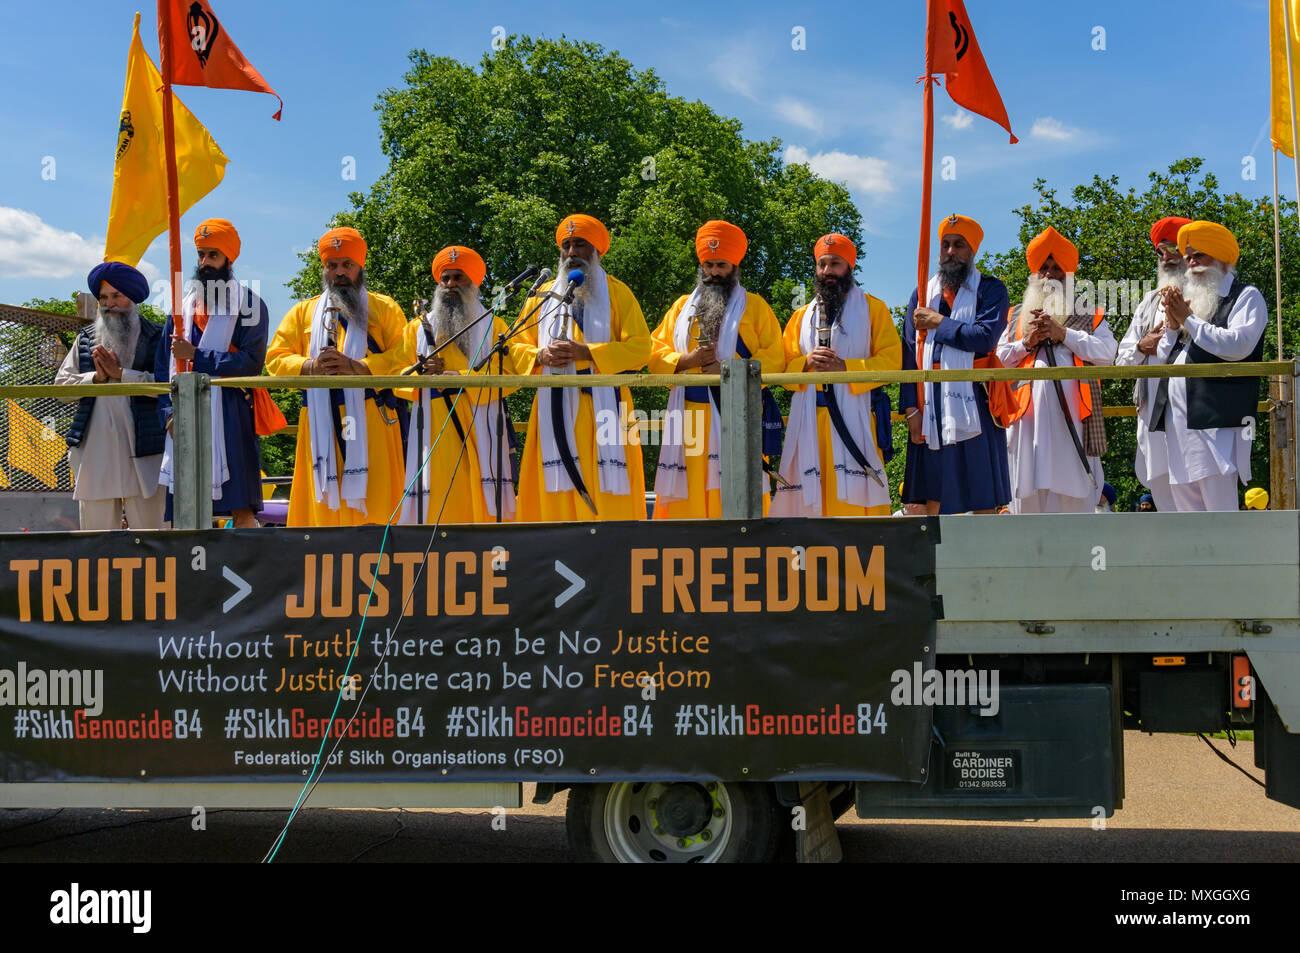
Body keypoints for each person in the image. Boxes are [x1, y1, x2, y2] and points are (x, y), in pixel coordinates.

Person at [510, 214, 651, 521]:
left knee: (607, 494)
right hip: (553, 405)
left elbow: (641, 348)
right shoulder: (541, 296)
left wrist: (586, 351)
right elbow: (515, 347)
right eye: (566, 245)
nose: (572, 252)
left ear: (596, 251)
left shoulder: (618, 293)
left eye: (580, 245)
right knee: (554, 497)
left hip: (605, 405)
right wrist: (540, 355)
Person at [265, 227, 409, 526]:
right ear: (324, 269)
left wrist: (358, 367)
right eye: (332, 266)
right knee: (323, 515)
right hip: (319, 421)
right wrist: (310, 367)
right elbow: (275, 359)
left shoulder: (385, 308)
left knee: (377, 504)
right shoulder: (302, 312)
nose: (340, 272)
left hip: (373, 418)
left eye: (347, 265)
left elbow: (405, 356)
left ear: (360, 267)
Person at [650, 220, 783, 518]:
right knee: (687, 499)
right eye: (708, 264)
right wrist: (687, 361)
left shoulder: (756, 307)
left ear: (734, 266)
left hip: (736, 412)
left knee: (736, 495)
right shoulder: (681, 307)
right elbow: (653, 353)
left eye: (721, 264)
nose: (713, 272)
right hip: (688, 419)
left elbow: (777, 358)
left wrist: (728, 369)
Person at [770, 233, 901, 517]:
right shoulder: (799, 316)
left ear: (849, 268)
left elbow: (892, 361)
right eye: (822, 264)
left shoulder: (874, 310)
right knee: (807, 508)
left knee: (854, 508)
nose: (827, 271)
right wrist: (805, 363)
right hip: (808, 423)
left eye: (835, 263)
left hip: (856, 422)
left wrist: (846, 368)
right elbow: (781, 368)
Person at [155, 219, 267, 528]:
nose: (205, 263)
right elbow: (161, 369)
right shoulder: (180, 308)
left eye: (213, 256)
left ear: (229, 259)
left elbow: (251, 364)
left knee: (240, 507)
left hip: (232, 414)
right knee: (187, 507)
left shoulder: (250, 305)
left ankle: (249, 566)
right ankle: (191, 573)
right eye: (201, 255)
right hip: (184, 416)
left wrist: (197, 356)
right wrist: (168, 416)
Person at [1149, 221, 1268, 512]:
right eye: (1188, 257)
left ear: (1220, 258)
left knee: (1220, 516)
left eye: (1199, 255)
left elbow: (1237, 346)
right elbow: (1164, 354)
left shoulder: (1247, 296)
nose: (1191, 263)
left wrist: (1188, 319)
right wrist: (1174, 327)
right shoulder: (1193, 301)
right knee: (1188, 520)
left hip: (1216, 427)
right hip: (1178, 427)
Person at [997, 226, 1117, 513]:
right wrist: (1027, 342)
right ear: (1035, 275)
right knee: (1027, 508)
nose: (1050, 274)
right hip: (1027, 427)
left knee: (1074, 504)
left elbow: (1107, 354)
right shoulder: (1016, 315)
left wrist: (1064, 334)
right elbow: (999, 359)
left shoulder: (1090, 313)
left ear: (1069, 276)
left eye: (1057, 269)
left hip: (1075, 423)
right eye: (1044, 268)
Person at [398, 245, 519, 524]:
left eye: (458, 277)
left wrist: (459, 377)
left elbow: (511, 372)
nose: (450, 284)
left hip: (482, 418)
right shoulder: (417, 328)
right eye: (445, 278)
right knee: (439, 496)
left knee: (481, 495)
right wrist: (420, 372)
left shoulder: (495, 325)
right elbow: (395, 373)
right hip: (433, 420)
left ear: (474, 282)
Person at [901, 214, 1012, 515]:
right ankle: (939, 560)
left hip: (975, 400)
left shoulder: (991, 290)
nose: (950, 252)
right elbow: (910, 354)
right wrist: (911, 409)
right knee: (934, 490)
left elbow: (983, 339)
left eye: (958, 245)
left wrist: (938, 322)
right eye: (945, 245)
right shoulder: (922, 294)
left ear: (972, 252)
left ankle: (985, 561)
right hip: (928, 404)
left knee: (982, 492)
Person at [55, 262, 166, 530]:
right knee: (96, 542)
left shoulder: (157, 336)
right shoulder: (85, 339)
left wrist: (122, 374)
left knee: (154, 539)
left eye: (117, 296)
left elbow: (169, 387)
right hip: (97, 452)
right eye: (103, 297)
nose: (109, 304)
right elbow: (61, 387)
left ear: (132, 298)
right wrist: (96, 378)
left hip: (145, 450)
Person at [1114, 216, 1191, 514]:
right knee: (1166, 505)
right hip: (1152, 421)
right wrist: (1142, 347)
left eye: (1174, 248)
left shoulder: (1208, 295)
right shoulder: (1148, 302)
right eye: (1161, 251)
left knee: (1198, 505)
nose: (1168, 258)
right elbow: (1121, 360)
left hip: (1192, 417)